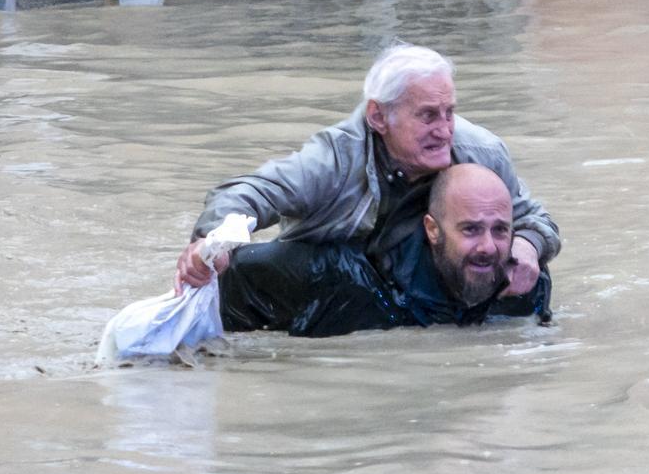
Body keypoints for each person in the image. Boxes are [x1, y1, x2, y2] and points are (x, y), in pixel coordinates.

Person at [177, 44, 559, 297]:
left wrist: (527, 247)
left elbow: (536, 220)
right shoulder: (331, 161)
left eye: (449, 113)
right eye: (427, 116)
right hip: (336, 284)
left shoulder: (482, 152)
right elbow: (247, 193)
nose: (444, 131)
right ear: (378, 116)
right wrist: (212, 245)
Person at [215, 163, 551, 337]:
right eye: (471, 230)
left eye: (500, 230)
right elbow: (238, 274)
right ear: (432, 230)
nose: (489, 247)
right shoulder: (341, 277)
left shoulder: (524, 284)